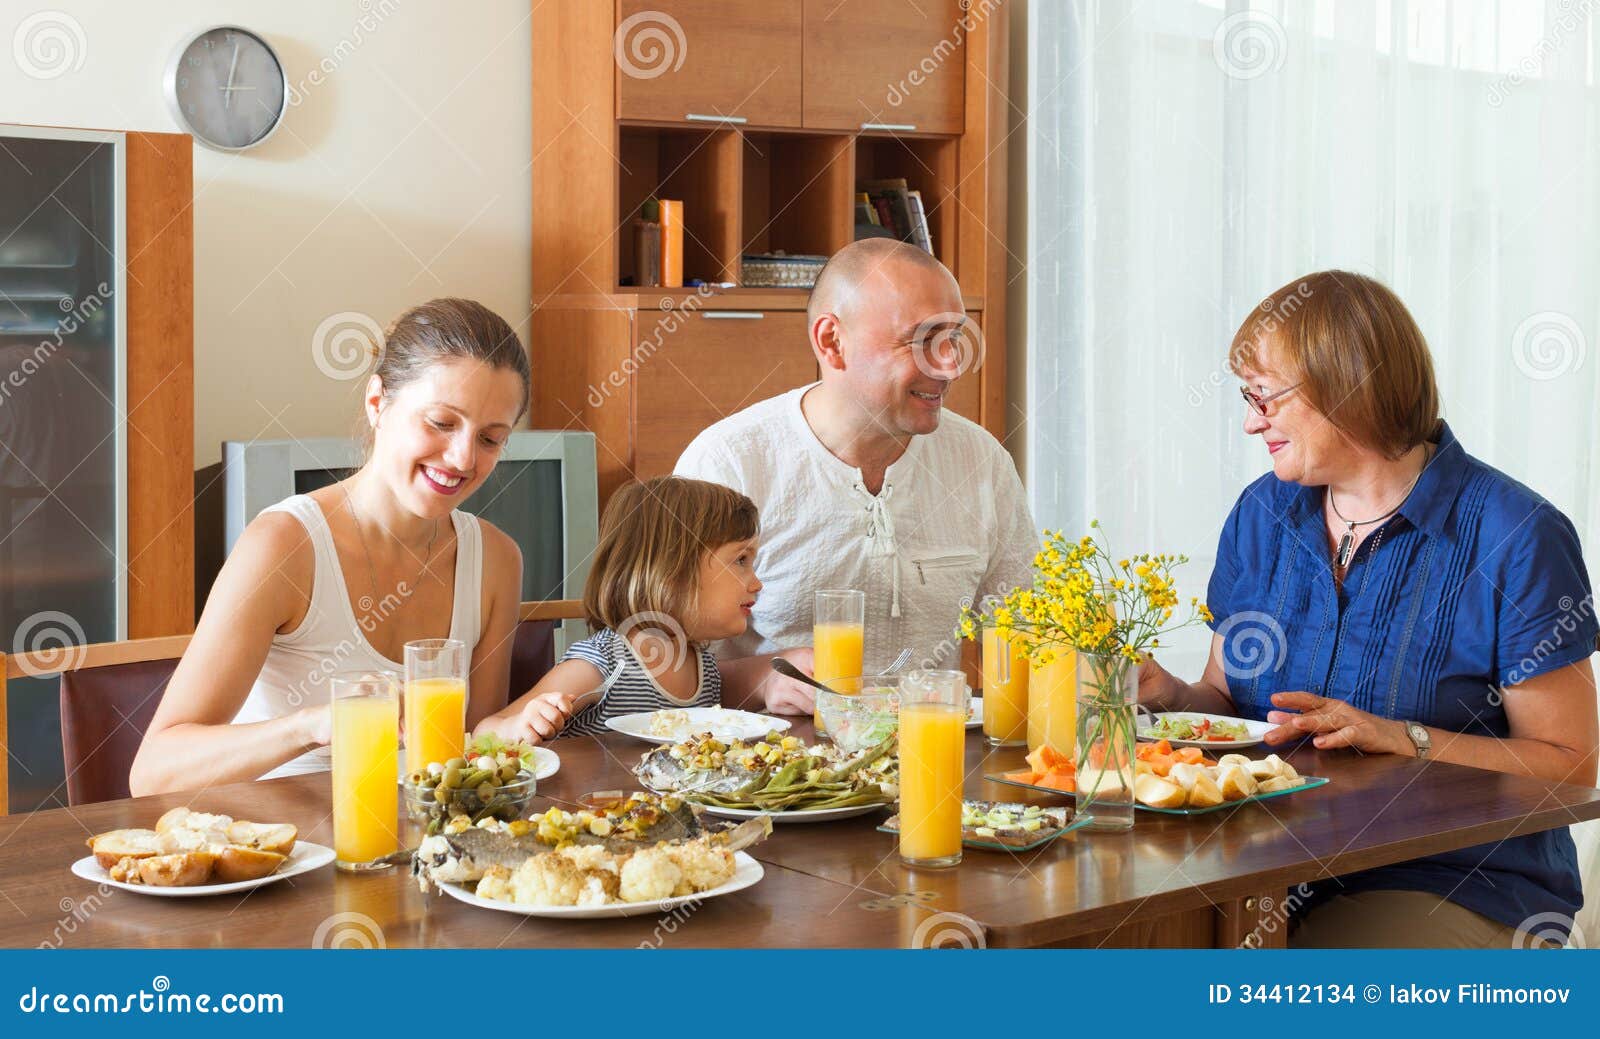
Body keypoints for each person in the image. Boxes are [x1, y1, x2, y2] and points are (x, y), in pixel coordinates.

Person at [1139, 270, 1599, 947]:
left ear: (1345, 386)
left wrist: (1405, 737)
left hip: (1454, 880)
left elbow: (1570, 765)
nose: (1248, 421)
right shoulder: (1261, 515)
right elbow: (1229, 701)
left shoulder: (1515, 533)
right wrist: (1172, 695)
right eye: (1247, 397)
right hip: (1261, 866)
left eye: (1265, 397)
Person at [130, 299, 530, 793]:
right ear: (377, 402)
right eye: (441, 423)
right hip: (286, 850)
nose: (463, 457)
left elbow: (474, 758)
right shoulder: (284, 546)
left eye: (491, 439)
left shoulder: (496, 560)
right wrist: (313, 726)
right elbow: (154, 772)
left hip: (418, 854)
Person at [675, 239, 1036, 712]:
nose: (950, 364)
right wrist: (760, 678)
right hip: (764, 773)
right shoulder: (729, 462)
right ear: (831, 342)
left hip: (933, 762)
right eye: (923, 340)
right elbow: (651, 670)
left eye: (953, 338)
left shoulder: (981, 462)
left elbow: (1033, 636)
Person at [475, 475, 762, 741]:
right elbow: (485, 733)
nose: (756, 583)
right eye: (740, 560)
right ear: (673, 570)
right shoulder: (603, 664)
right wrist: (521, 724)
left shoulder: (704, 667)